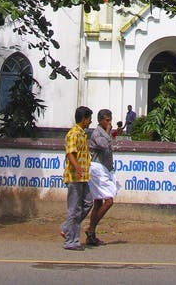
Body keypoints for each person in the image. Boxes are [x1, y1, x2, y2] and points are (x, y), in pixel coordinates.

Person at [60, 105, 93, 251]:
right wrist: (78, 168)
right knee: (74, 209)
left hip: (83, 177)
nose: (90, 122)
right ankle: (71, 241)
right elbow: (70, 154)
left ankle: (67, 227)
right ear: (84, 119)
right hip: (74, 177)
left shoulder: (82, 134)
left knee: (88, 202)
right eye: (89, 119)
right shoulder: (73, 134)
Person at [86, 109, 118, 246]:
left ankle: (91, 236)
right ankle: (91, 229)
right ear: (100, 121)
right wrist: (109, 132)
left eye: (110, 120)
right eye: (107, 120)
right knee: (109, 201)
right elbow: (104, 144)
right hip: (97, 168)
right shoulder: (97, 133)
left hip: (105, 168)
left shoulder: (105, 133)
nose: (109, 123)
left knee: (98, 202)